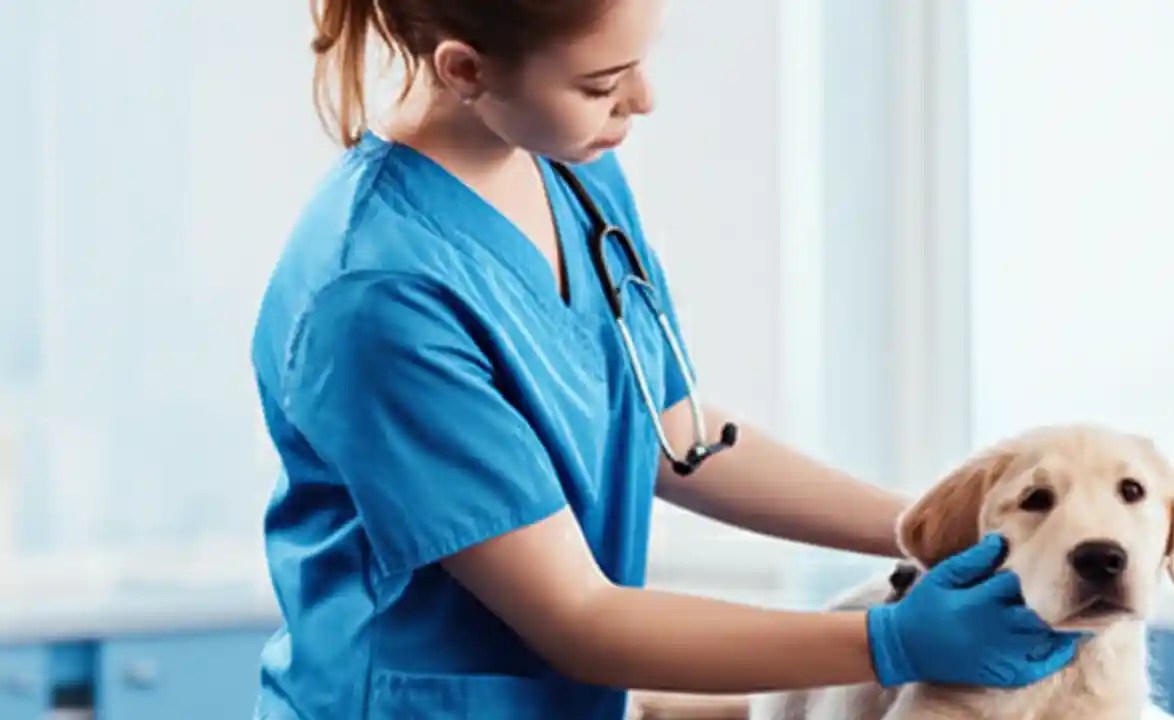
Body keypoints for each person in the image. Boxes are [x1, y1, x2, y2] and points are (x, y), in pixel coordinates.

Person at [248, 0, 1082, 717]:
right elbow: (579, 617)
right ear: (466, 70)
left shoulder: (567, 170)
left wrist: (939, 526)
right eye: (602, 84)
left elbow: (670, 429)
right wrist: (891, 642)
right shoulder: (379, 296)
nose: (641, 101)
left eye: (638, 64)